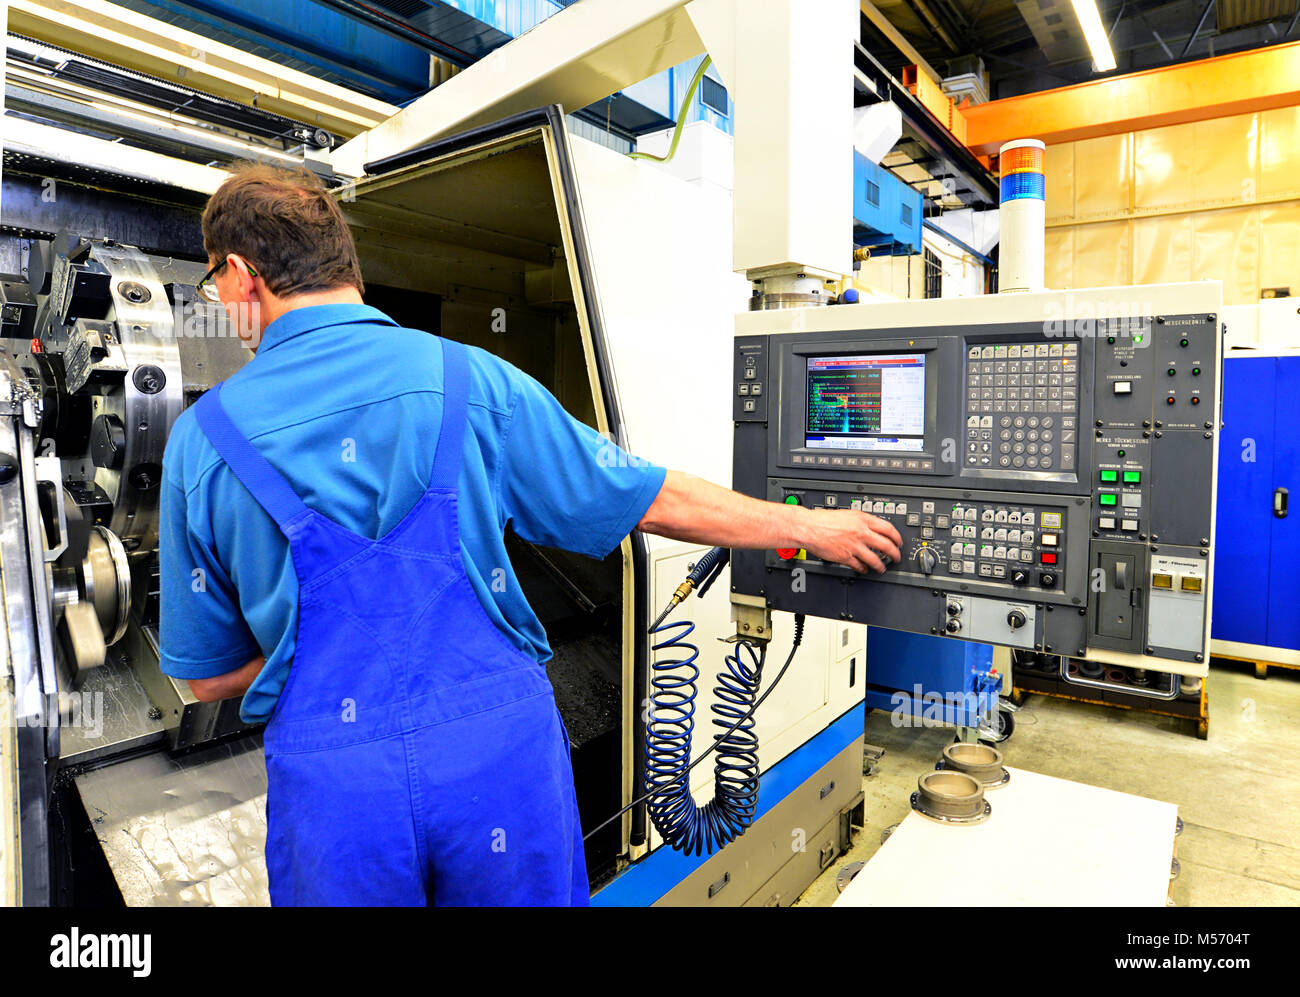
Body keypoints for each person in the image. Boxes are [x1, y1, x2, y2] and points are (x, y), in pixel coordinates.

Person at [160, 163, 902, 907]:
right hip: (498, 762)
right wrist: (805, 526)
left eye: (215, 288)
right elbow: (646, 494)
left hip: (342, 796)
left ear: (240, 275)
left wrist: (311, 647)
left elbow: (207, 675)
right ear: (344, 267)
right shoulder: (475, 379)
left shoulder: (202, 440)